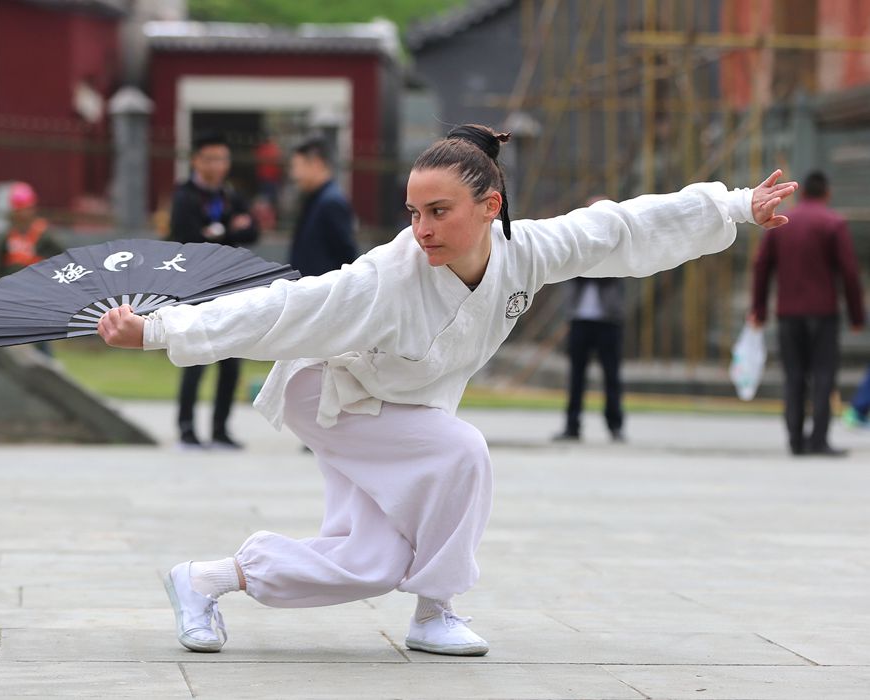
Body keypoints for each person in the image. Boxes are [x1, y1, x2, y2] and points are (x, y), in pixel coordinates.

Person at [98, 124, 796, 657]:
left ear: (490, 205)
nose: (423, 229)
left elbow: (616, 228)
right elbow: (282, 310)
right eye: (413, 213)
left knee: (372, 560)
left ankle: (202, 580)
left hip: (403, 405)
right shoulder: (384, 279)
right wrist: (158, 332)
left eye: (439, 211)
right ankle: (436, 610)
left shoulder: (527, 251)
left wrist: (735, 207)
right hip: (334, 395)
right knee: (462, 452)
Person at [749, 170, 864, 457]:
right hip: (823, 312)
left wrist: (759, 309)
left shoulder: (783, 224)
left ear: (801, 193)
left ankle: (795, 439)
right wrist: (857, 315)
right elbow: (849, 273)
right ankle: (819, 439)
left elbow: (761, 266)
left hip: (788, 313)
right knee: (824, 375)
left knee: (794, 375)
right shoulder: (833, 223)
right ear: (826, 193)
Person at [168, 132, 258, 449]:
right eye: (211, 158)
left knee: (230, 358)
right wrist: (230, 229)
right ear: (196, 160)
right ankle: (186, 428)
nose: (218, 165)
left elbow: (252, 231)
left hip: (229, 286)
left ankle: (220, 429)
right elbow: (187, 237)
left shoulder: (231, 195)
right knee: (195, 355)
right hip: (195, 288)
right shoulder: (184, 196)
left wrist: (221, 230)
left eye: (223, 158)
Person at [552, 197, 626, 442]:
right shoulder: (578, 241)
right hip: (580, 319)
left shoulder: (618, 241)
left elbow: (613, 272)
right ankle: (572, 425)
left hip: (608, 320)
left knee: (611, 375)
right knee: (575, 375)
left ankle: (615, 425)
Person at [288, 136, 358, 278]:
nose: (294, 174)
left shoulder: (331, 203)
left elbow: (346, 257)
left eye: (297, 167)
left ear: (316, 164)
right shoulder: (316, 198)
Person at [0, 181, 64, 278]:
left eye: (24, 209)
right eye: (17, 211)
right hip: (13, 286)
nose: (21, 215)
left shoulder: (45, 235)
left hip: (39, 283)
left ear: (32, 209)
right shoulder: (9, 236)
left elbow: (60, 261)